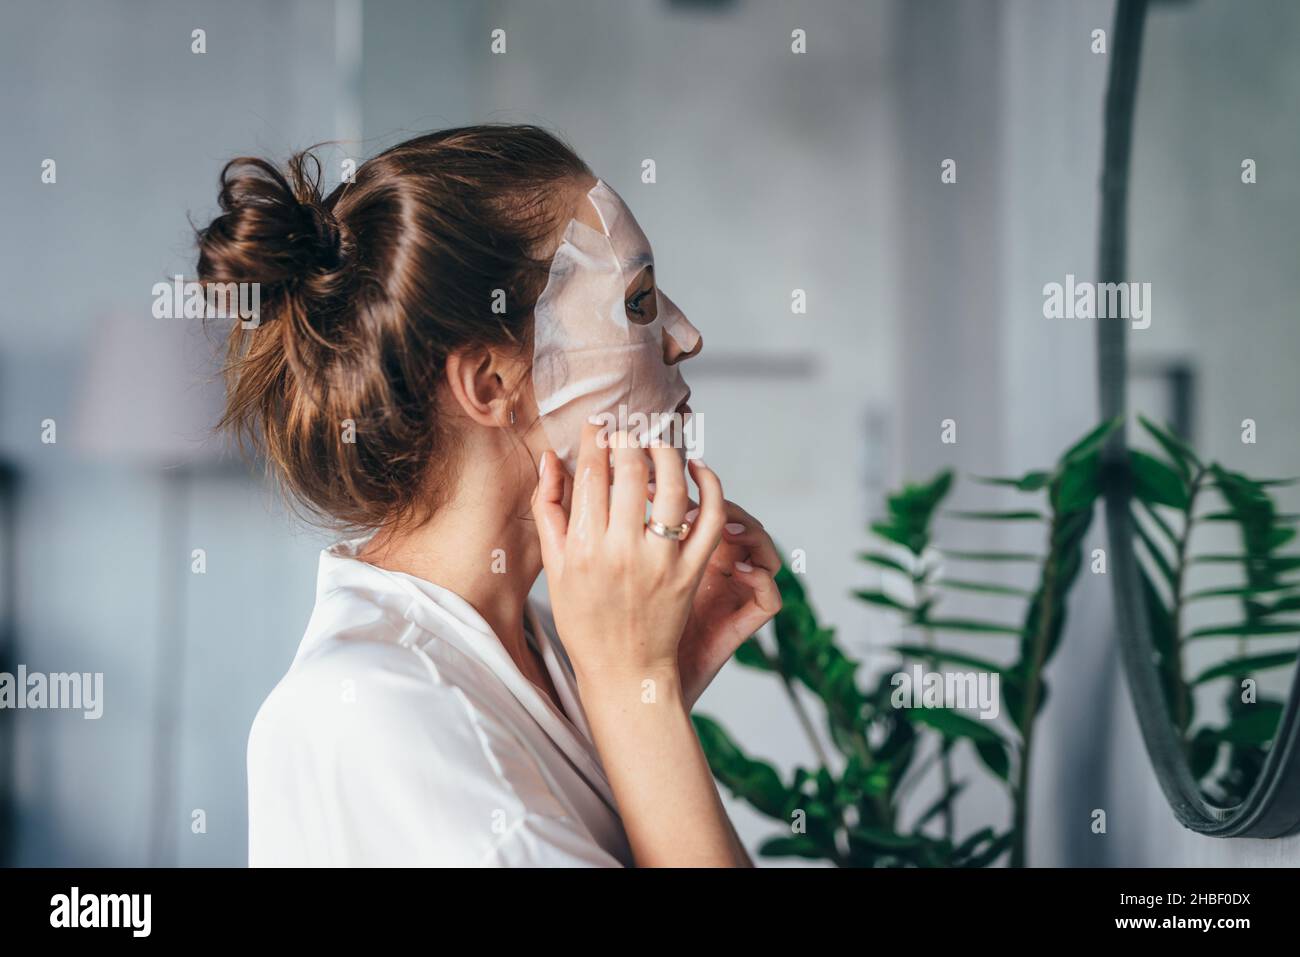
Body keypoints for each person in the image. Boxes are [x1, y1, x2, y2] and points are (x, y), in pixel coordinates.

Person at [196, 125, 781, 867]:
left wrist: (636, 700)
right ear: (490, 384)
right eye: (637, 302)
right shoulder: (370, 711)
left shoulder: (542, 643)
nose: (684, 336)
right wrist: (638, 690)